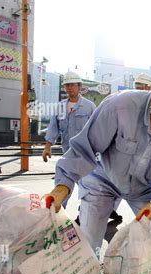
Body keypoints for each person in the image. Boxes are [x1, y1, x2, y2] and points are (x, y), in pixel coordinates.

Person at [45, 61, 151, 254]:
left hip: (145, 190)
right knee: (88, 246)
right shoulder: (120, 107)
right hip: (102, 181)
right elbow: (85, 148)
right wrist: (63, 184)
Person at [42, 72, 96, 209]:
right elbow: (53, 127)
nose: (70, 88)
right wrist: (47, 146)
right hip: (67, 153)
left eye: (73, 85)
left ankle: (87, 210)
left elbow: (97, 130)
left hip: (86, 155)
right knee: (62, 184)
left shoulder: (89, 107)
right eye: (67, 85)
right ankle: (58, 211)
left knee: (88, 186)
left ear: (79, 87)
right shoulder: (60, 107)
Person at [110, 73, 151, 222]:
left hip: (143, 169)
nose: (139, 91)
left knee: (150, 218)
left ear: (150, 88)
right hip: (124, 158)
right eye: (137, 87)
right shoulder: (126, 105)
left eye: (143, 88)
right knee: (114, 186)